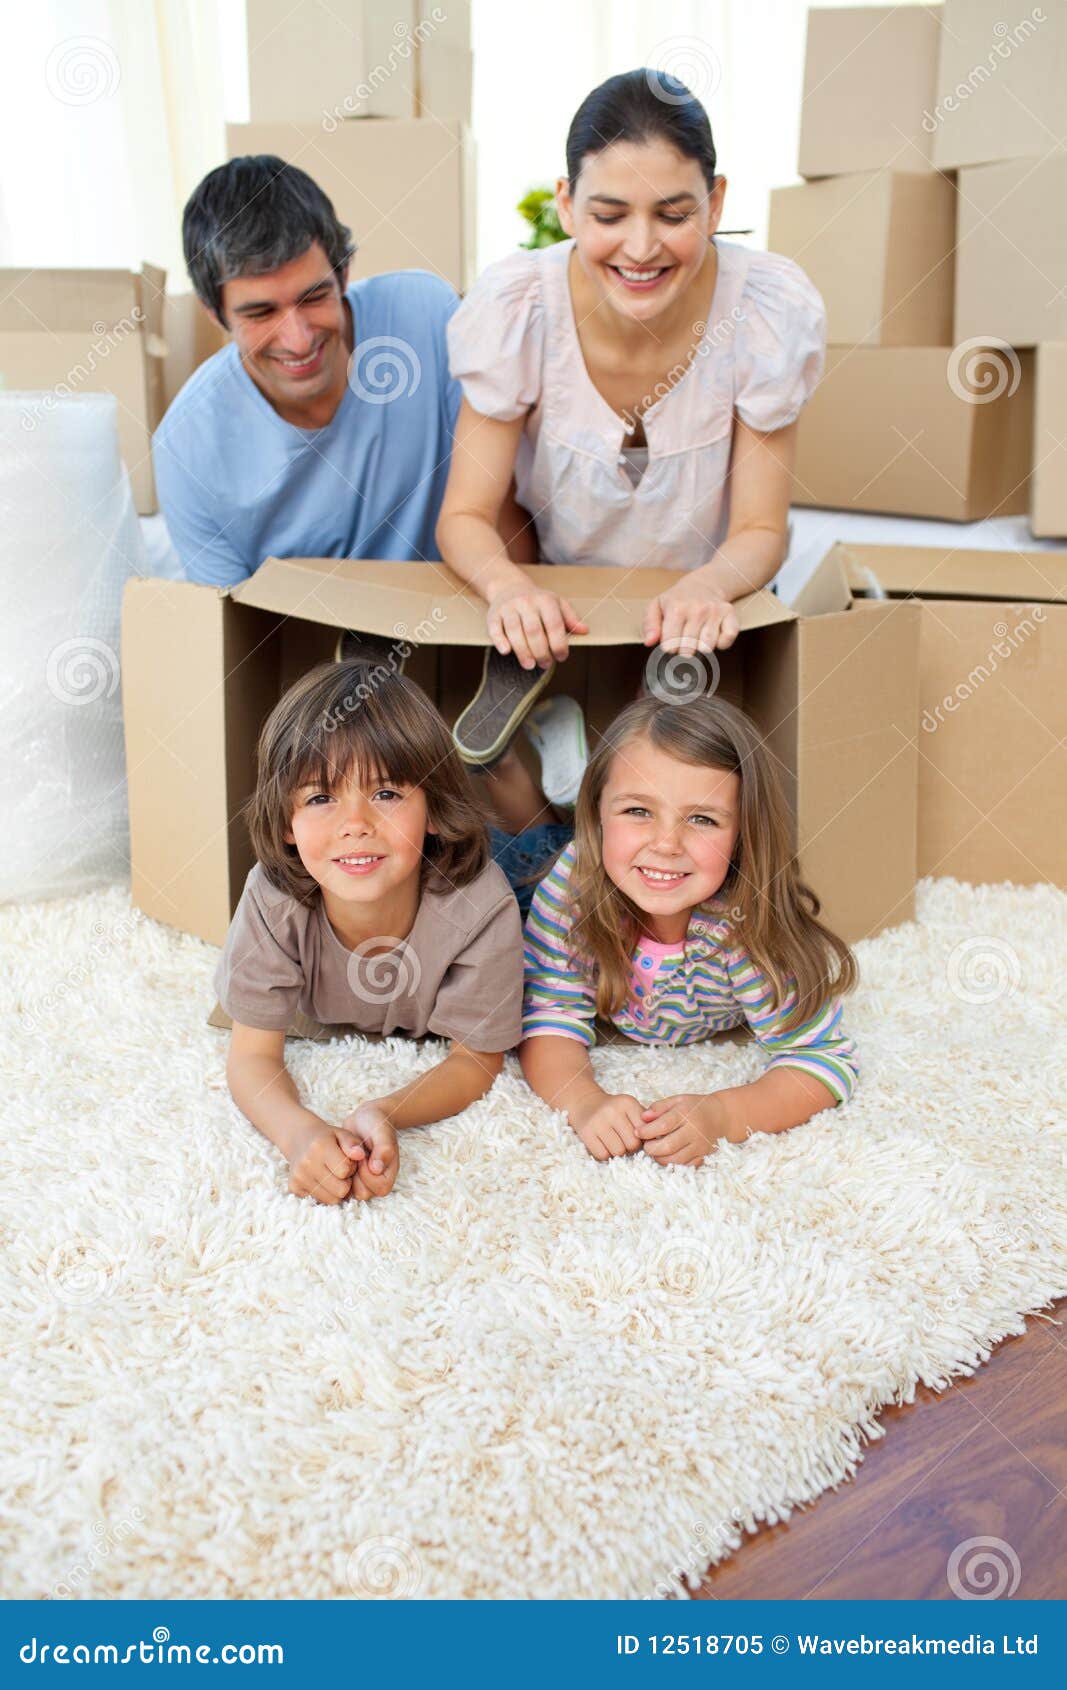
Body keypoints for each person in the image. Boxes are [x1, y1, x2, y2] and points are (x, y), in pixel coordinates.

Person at [436, 67, 826, 785]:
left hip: (695, 608)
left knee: (680, 782)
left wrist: (709, 589)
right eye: (609, 216)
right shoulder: (520, 305)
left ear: (714, 203)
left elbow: (761, 528)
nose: (640, 248)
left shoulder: (765, 309)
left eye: (673, 216)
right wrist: (508, 589)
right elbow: (463, 515)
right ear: (566, 202)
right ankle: (552, 722)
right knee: (512, 791)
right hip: (561, 607)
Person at [215, 662, 524, 1207]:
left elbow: (477, 1058)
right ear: (286, 823)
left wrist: (386, 1111)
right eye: (319, 798)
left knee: (541, 848)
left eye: (385, 793)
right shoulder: (273, 898)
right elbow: (251, 1057)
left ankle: (523, 759)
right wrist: (299, 1133)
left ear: (431, 808)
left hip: (505, 857)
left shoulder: (480, 904)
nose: (355, 823)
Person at [153, 154, 533, 586]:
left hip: (458, 623)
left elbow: (507, 519)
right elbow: (235, 636)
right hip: (314, 651)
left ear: (344, 273)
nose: (297, 340)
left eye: (313, 297)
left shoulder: (425, 317)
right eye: (260, 313)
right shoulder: (186, 448)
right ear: (214, 313)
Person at [519, 695, 859, 1165]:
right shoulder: (573, 888)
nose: (667, 843)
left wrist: (723, 1115)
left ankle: (559, 779)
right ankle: (513, 769)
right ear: (598, 813)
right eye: (638, 810)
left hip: (616, 858)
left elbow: (821, 1061)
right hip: (549, 868)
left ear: (744, 834)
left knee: (544, 837)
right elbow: (548, 1014)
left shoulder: (745, 926)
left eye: (701, 819)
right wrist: (584, 1102)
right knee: (517, 849)